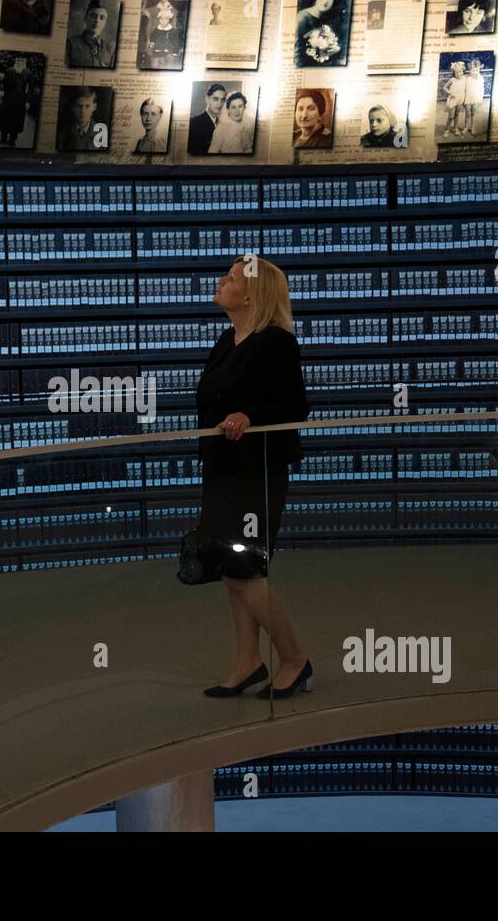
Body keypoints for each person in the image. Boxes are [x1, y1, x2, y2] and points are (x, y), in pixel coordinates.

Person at [197, 256, 312, 700]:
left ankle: (294, 659)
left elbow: (295, 406)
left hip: (256, 469)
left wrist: (250, 414)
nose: (221, 281)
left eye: (230, 278)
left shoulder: (276, 342)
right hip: (223, 468)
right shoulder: (228, 340)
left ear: (251, 294)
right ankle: (248, 661)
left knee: (245, 570)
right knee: (232, 568)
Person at [294, 0, 340, 65]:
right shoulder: (302, 18)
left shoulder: (327, 19)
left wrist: (335, 49)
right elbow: (295, 53)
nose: (325, 1)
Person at [0, 54, 33, 145]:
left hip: (20, 99)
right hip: (8, 97)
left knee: (16, 119)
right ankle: (3, 138)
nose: (19, 63)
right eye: (18, 61)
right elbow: (3, 82)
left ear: (25, 63)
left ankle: (12, 139)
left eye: (22, 61)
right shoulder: (9, 71)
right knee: (5, 117)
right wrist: (2, 90)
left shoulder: (28, 73)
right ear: (15, 62)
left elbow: (31, 88)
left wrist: (28, 101)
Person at [142, 0, 182, 66]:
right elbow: (147, 22)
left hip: (166, 43)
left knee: (166, 65)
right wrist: (144, 4)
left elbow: (173, 28)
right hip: (153, 40)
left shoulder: (173, 11)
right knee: (154, 65)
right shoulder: (153, 9)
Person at [66, 0, 114, 68]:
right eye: (93, 16)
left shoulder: (109, 49)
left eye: (102, 18)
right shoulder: (71, 44)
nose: (97, 21)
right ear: (85, 18)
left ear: (105, 23)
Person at [56, 86, 100, 151]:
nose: (82, 111)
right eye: (79, 106)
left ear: (94, 107)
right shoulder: (63, 133)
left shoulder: (101, 133)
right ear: (73, 107)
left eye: (87, 106)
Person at [187, 82, 226, 155]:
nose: (219, 104)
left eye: (222, 100)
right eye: (215, 99)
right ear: (207, 99)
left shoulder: (222, 124)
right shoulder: (193, 123)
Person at [442, 60, 466, 136]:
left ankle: (456, 128)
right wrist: (450, 93)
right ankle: (447, 130)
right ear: (454, 73)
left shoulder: (465, 79)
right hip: (453, 99)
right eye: (456, 72)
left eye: (460, 72)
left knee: (456, 115)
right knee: (451, 116)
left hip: (460, 99)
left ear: (463, 71)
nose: (459, 74)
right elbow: (444, 87)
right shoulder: (452, 80)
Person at [464, 57, 485, 136]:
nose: (474, 72)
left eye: (476, 70)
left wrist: (481, 98)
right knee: (467, 113)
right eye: (473, 70)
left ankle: (473, 127)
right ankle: (466, 127)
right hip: (468, 98)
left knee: (474, 113)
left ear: (479, 70)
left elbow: (482, 89)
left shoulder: (480, 79)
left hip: (476, 98)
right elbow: (464, 88)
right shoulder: (467, 78)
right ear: (470, 70)